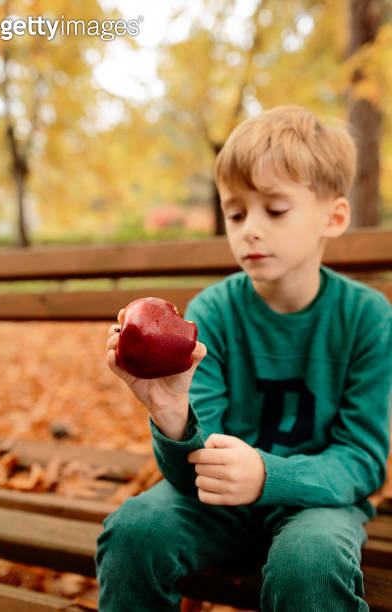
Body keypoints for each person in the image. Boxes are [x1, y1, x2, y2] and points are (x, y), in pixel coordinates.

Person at [95, 105, 392, 611]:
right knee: (135, 531)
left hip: (316, 503)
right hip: (219, 507)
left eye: (274, 210)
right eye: (236, 212)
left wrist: (268, 476)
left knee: (310, 562)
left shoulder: (365, 317)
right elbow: (191, 475)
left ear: (334, 216)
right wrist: (173, 419)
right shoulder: (213, 311)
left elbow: (361, 461)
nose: (249, 229)